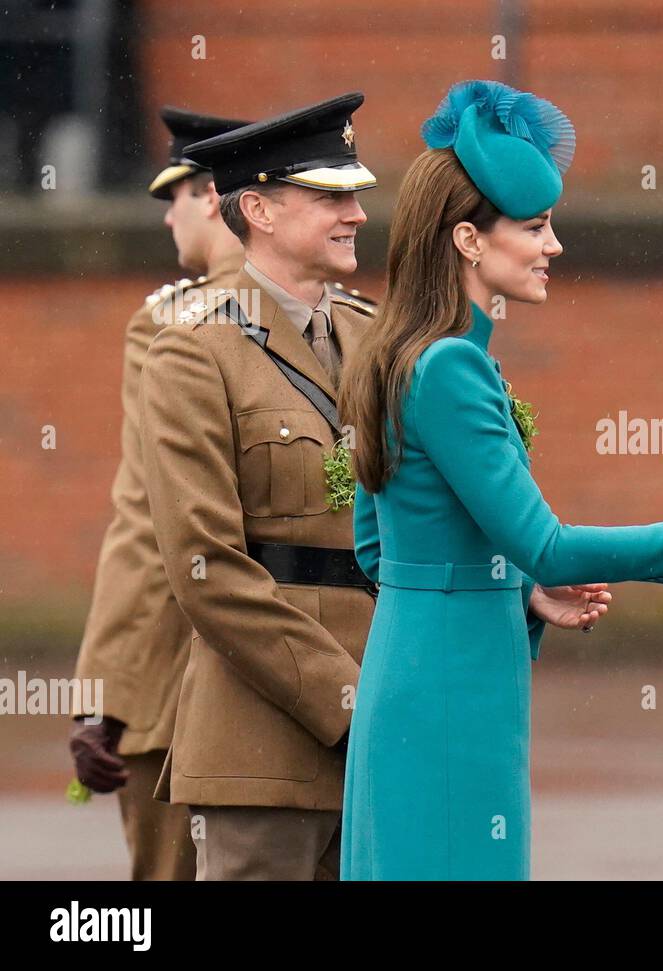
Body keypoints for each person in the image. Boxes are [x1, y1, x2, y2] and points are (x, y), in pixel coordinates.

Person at [338, 80, 663, 880]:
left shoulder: (406, 351)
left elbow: (380, 550)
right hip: (454, 690)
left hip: (409, 672)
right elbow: (545, 542)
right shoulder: (452, 368)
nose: (555, 245)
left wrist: (514, 592)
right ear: (469, 241)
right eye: (536, 226)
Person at [137, 92, 380, 880]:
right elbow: (204, 565)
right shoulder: (194, 349)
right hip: (261, 743)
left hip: (385, 726)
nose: (356, 214)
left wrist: (523, 588)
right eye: (331, 196)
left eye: (355, 194)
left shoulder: (372, 333)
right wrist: (347, 699)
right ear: (259, 210)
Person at [69, 105, 247, 881]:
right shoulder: (344, 321)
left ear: (211, 196)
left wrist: (104, 694)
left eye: (173, 195)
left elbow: (148, 521)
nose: (169, 216)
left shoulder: (174, 324)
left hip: (184, 687)